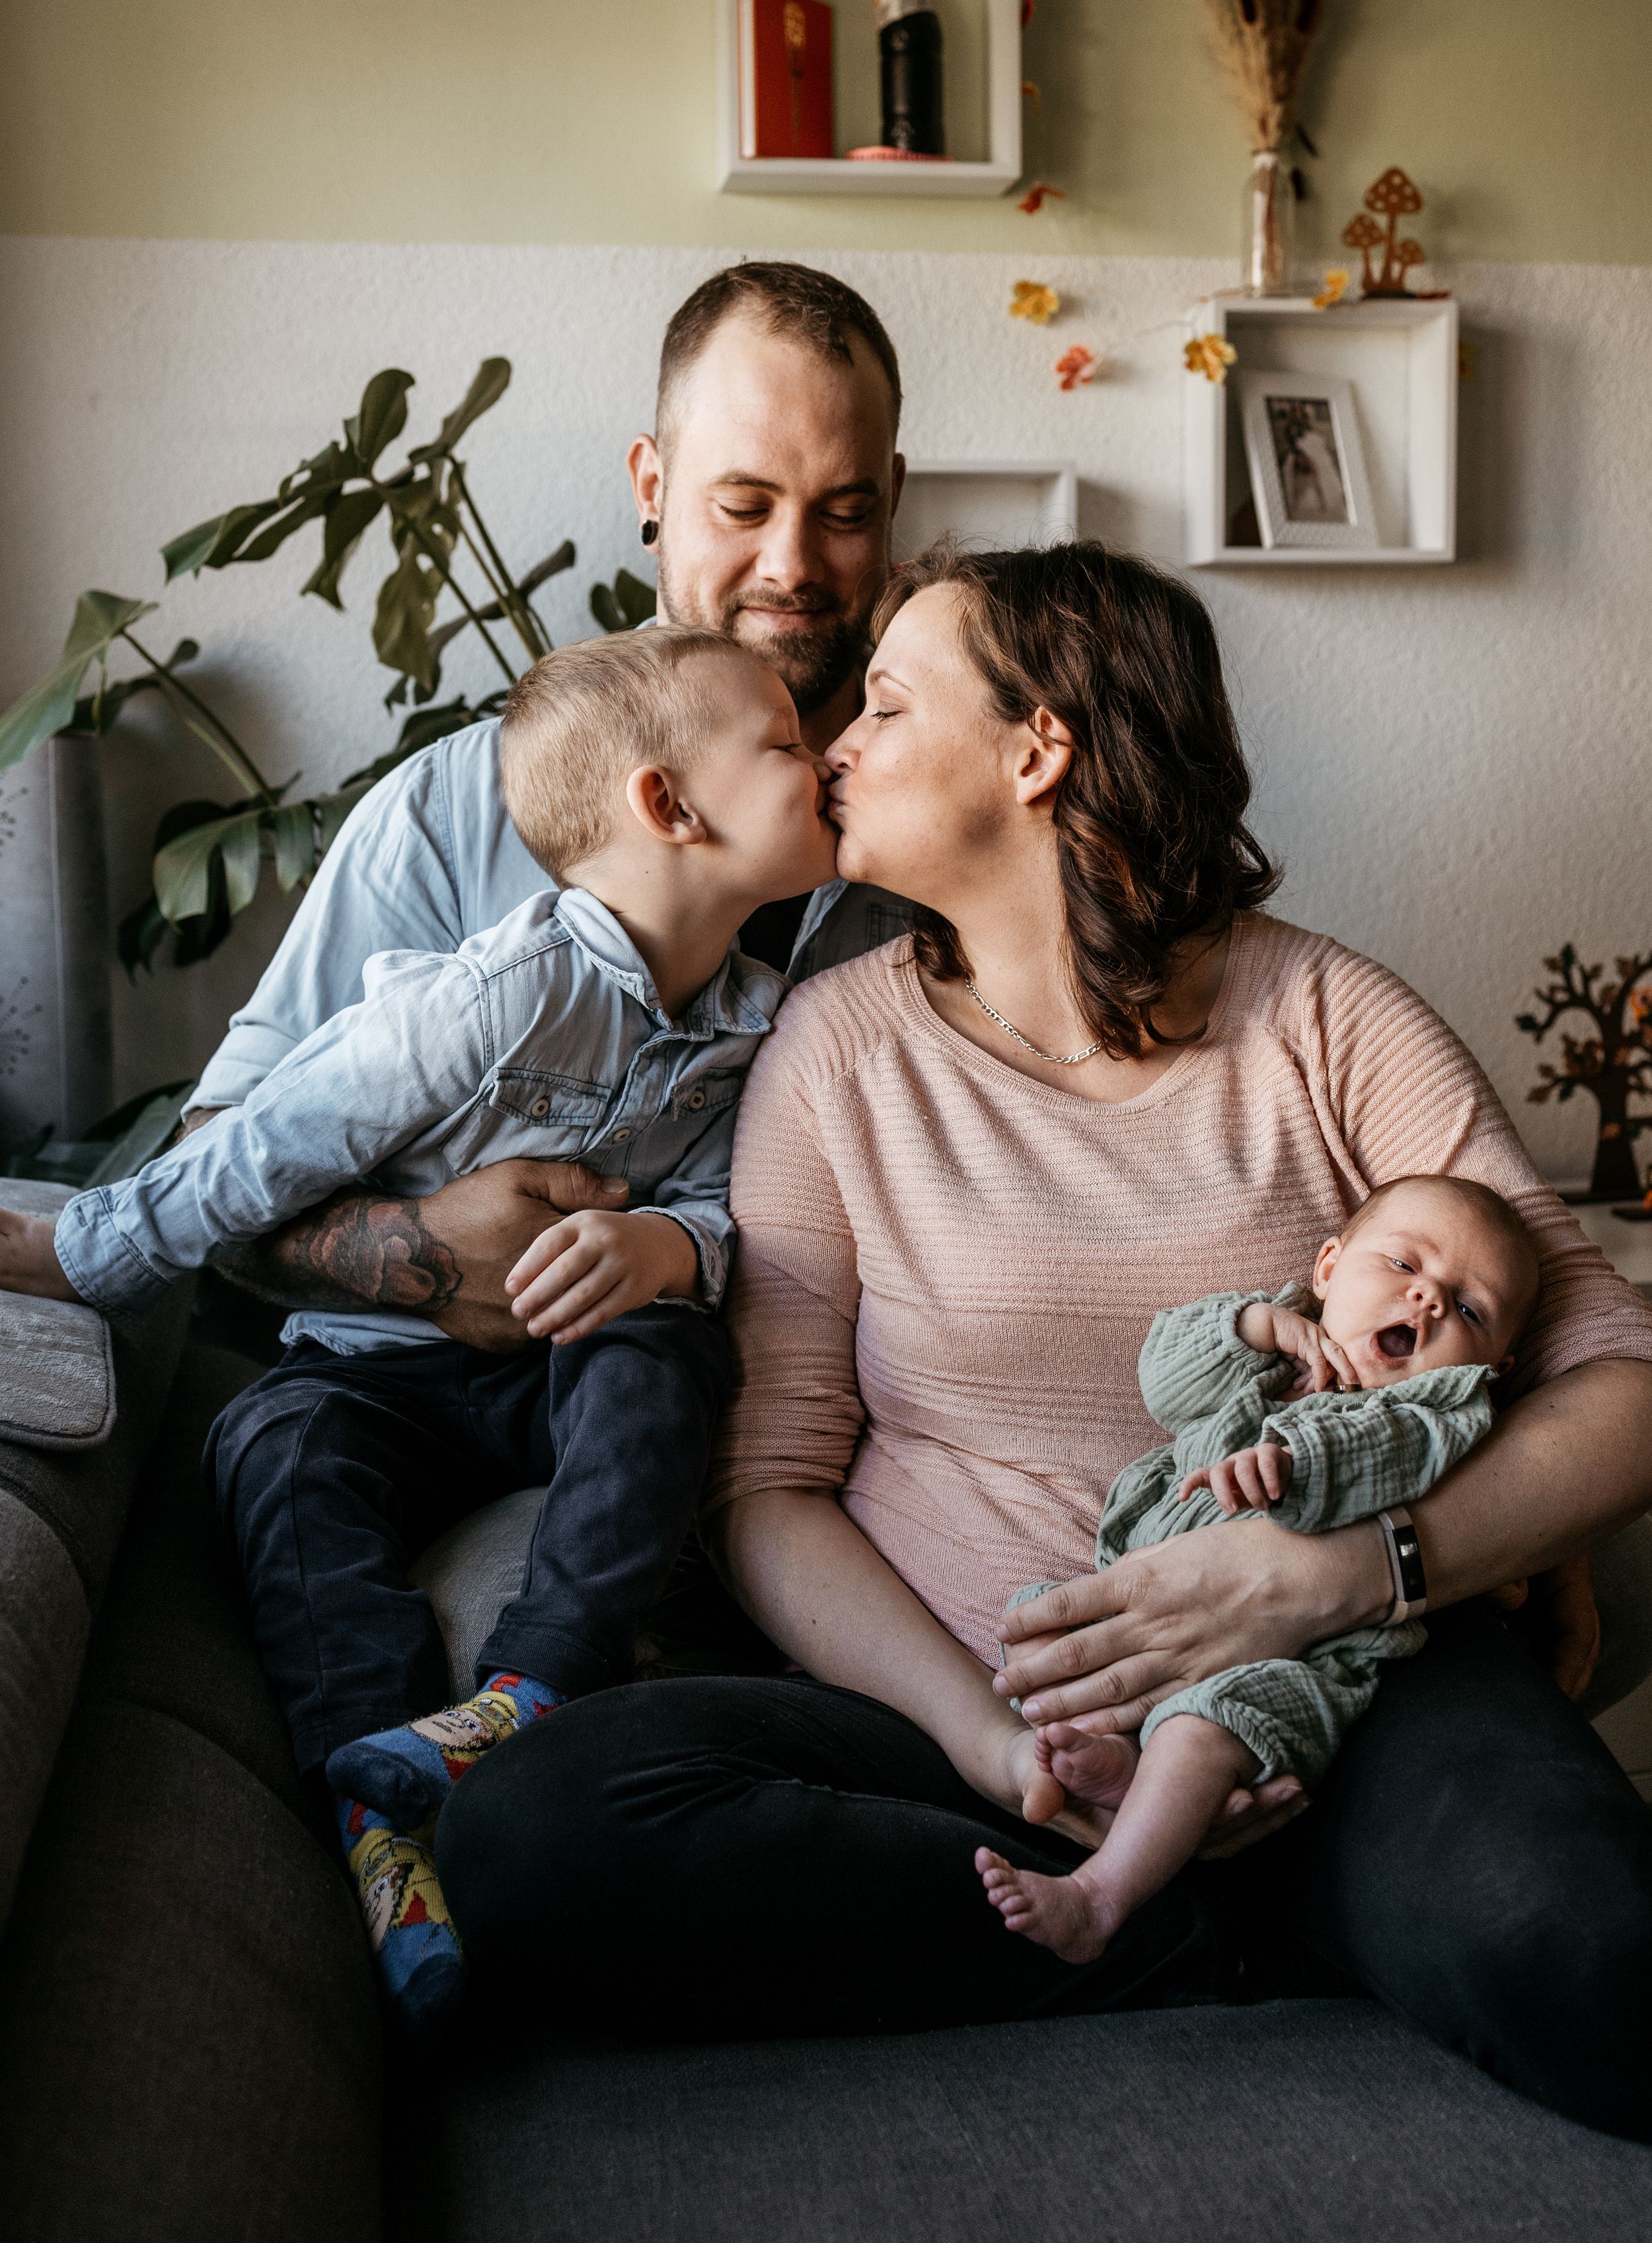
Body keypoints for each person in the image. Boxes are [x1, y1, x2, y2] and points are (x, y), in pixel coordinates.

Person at [435, 541, 1652, 2141]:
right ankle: (1199, 1915)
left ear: (1038, 747)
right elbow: (772, 1489)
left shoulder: (1326, 1018)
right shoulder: (837, 1049)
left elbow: (1619, 1378)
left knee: (1590, 1954)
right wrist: (996, 1740)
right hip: (966, 1733)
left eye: (884, 700)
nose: (838, 741)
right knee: (534, 1834)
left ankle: (1215, 1885)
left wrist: (1351, 1573)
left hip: (1327, 1701)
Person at [0, 626, 839, 2031]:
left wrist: (656, 1247)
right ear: (670, 808)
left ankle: (529, 1692)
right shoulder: (492, 995)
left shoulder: (756, 1022)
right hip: (376, 1373)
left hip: (557, 1376)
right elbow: (263, 1149)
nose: (822, 764)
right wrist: (81, 1247)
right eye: (787, 747)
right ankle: (379, 1823)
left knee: (665, 1350)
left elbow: (720, 1215)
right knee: (272, 1444)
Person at [177, 262, 912, 1353]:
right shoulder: (447, 808)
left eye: (845, 512)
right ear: (651, 487)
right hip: (442, 1413)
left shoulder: (955, 830)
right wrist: (424, 1252)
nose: (792, 563)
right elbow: (206, 1168)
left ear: (893, 498)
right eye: (743, 505)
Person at [977, 1173, 1540, 1965]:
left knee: (1208, 1724)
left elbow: (1387, 1456)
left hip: (1305, 1655)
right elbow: (1165, 1380)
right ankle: (1121, 1771)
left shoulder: (1440, 1409)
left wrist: (1289, 1462)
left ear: (1496, 1364)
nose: (1427, 1303)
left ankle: (1099, 1897)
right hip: (1142, 1600)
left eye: (1468, 1308)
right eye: (1404, 1266)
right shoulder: (1268, 1353)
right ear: (1328, 1269)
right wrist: (1252, 1325)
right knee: (1040, 1622)